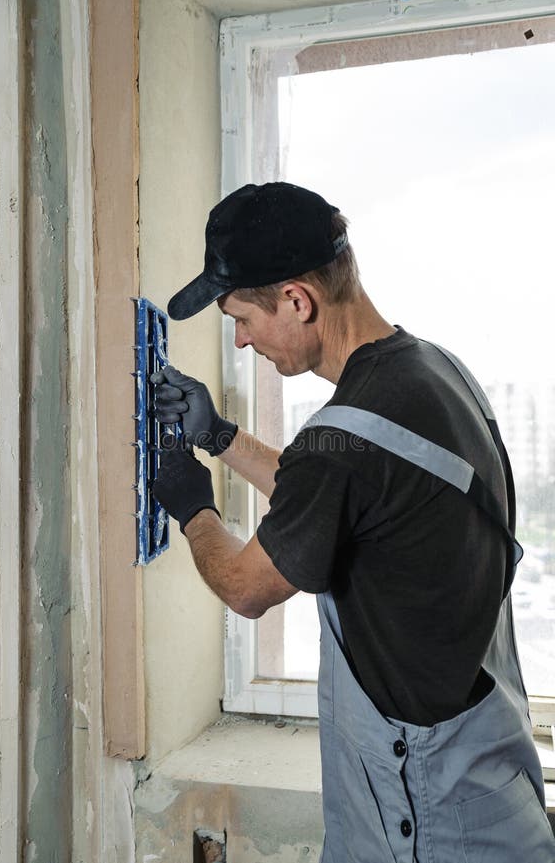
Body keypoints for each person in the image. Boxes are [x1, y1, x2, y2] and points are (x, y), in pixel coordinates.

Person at [152, 182, 555, 862]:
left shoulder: (345, 438)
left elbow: (247, 586)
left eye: (241, 318)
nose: (243, 341)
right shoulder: (433, 374)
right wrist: (221, 436)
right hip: (494, 785)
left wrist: (194, 507)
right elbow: (345, 494)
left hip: (428, 815)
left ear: (297, 299)